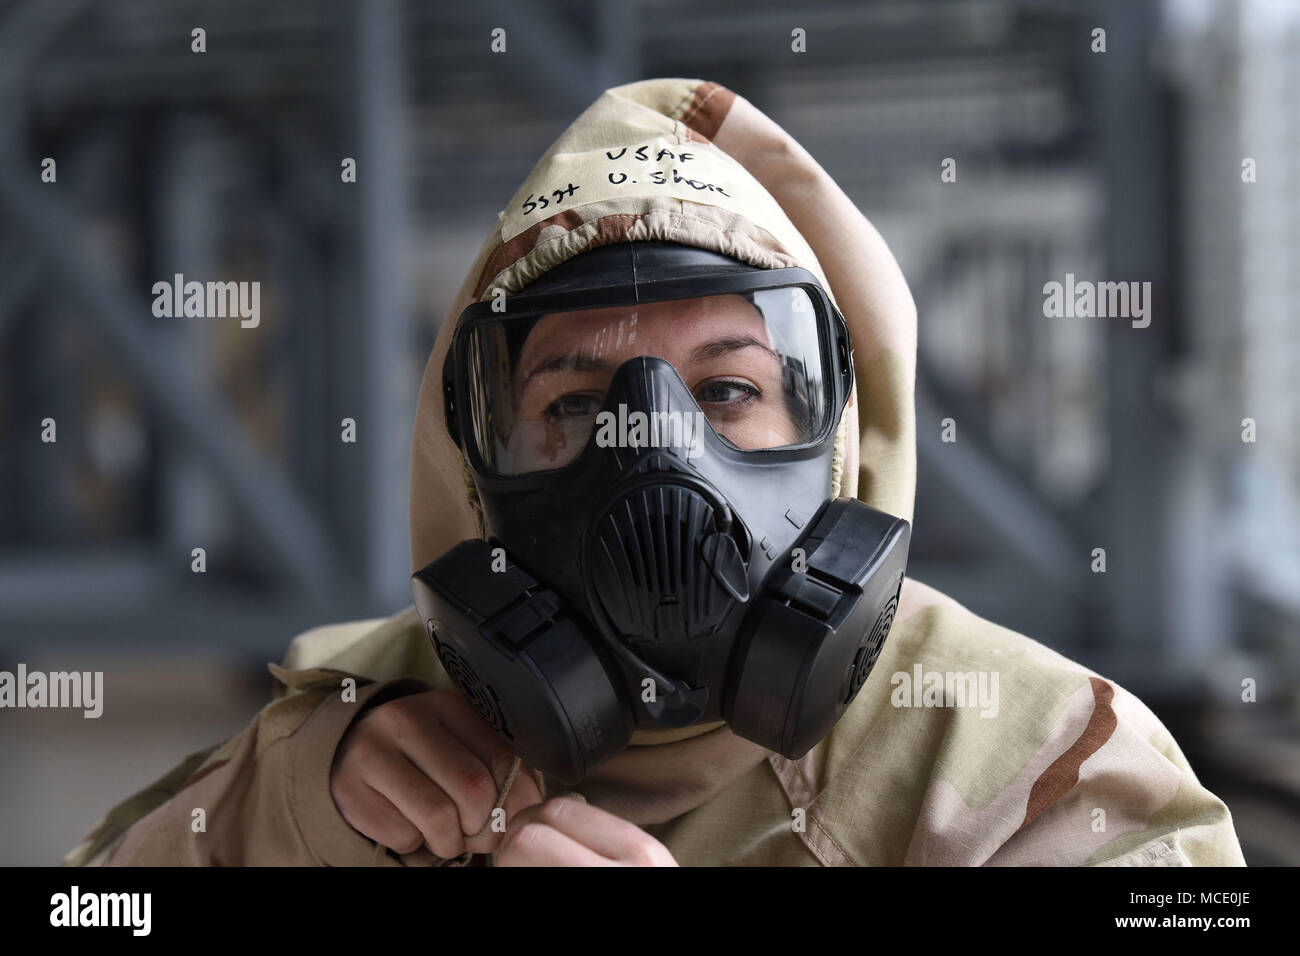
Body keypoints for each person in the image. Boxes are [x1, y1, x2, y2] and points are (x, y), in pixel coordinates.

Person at [64, 78, 1245, 867]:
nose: (652, 461)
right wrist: (297, 810)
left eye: (728, 390)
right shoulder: (356, 732)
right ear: (476, 459)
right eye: (574, 404)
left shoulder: (1026, 749)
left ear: (831, 430)